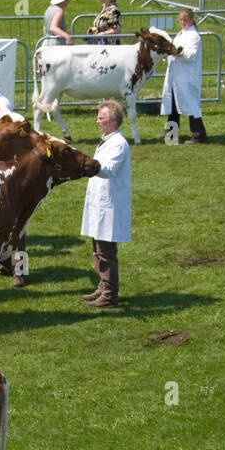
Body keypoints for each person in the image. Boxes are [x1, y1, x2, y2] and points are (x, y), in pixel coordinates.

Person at [81, 100, 131, 309]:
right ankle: (102, 286)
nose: (97, 121)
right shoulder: (104, 141)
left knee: (106, 251)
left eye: (101, 118)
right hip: (99, 203)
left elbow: (108, 169)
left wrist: (87, 165)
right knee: (97, 248)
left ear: (112, 121)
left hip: (110, 204)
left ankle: (110, 293)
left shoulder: (118, 144)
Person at [160, 8, 208, 144]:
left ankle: (199, 135)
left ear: (192, 20)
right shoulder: (181, 34)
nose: (183, 22)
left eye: (186, 20)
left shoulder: (194, 36)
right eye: (181, 20)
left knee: (192, 105)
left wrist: (178, 52)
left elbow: (191, 55)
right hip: (176, 75)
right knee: (173, 106)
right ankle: (171, 132)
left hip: (187, 76)